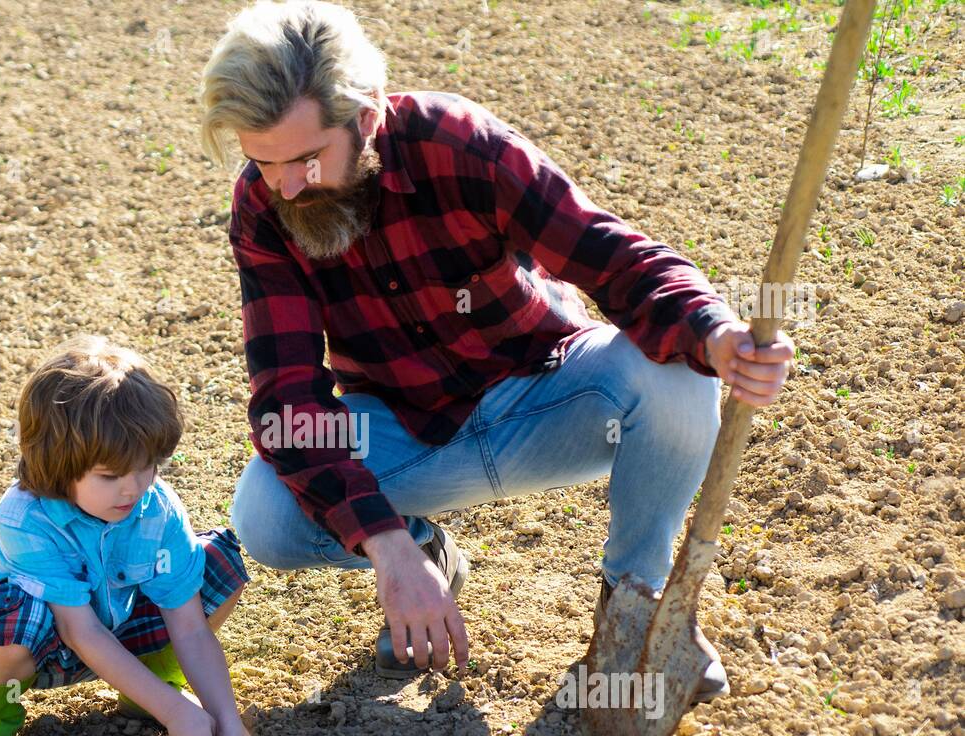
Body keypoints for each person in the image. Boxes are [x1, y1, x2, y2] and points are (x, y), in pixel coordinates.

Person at [201, 1, 795, 697]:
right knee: (266, 511)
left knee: (678, 371)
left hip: (547, 396)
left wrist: (716, 333)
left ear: (366, 115)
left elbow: (610, 254)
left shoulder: (457, 143)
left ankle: (635, 605)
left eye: (306, 158)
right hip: (407, 432)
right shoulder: (265, 208)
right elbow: (289, 401)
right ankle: (424, 551)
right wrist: (386, 543)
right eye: (263, 162)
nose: (287, 186)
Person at [0, 335, 262, 736]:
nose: (133, 488)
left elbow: (190, 627)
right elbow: (81, 632)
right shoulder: (27, 518)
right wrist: (175, 712)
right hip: (53, 649)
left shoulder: (157, 510)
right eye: (110, 475)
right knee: (7, 627)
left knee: (215, 566)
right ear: (58, 465)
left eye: (147, 466)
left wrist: (228, 722)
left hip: (125, 632)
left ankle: (151, 686)